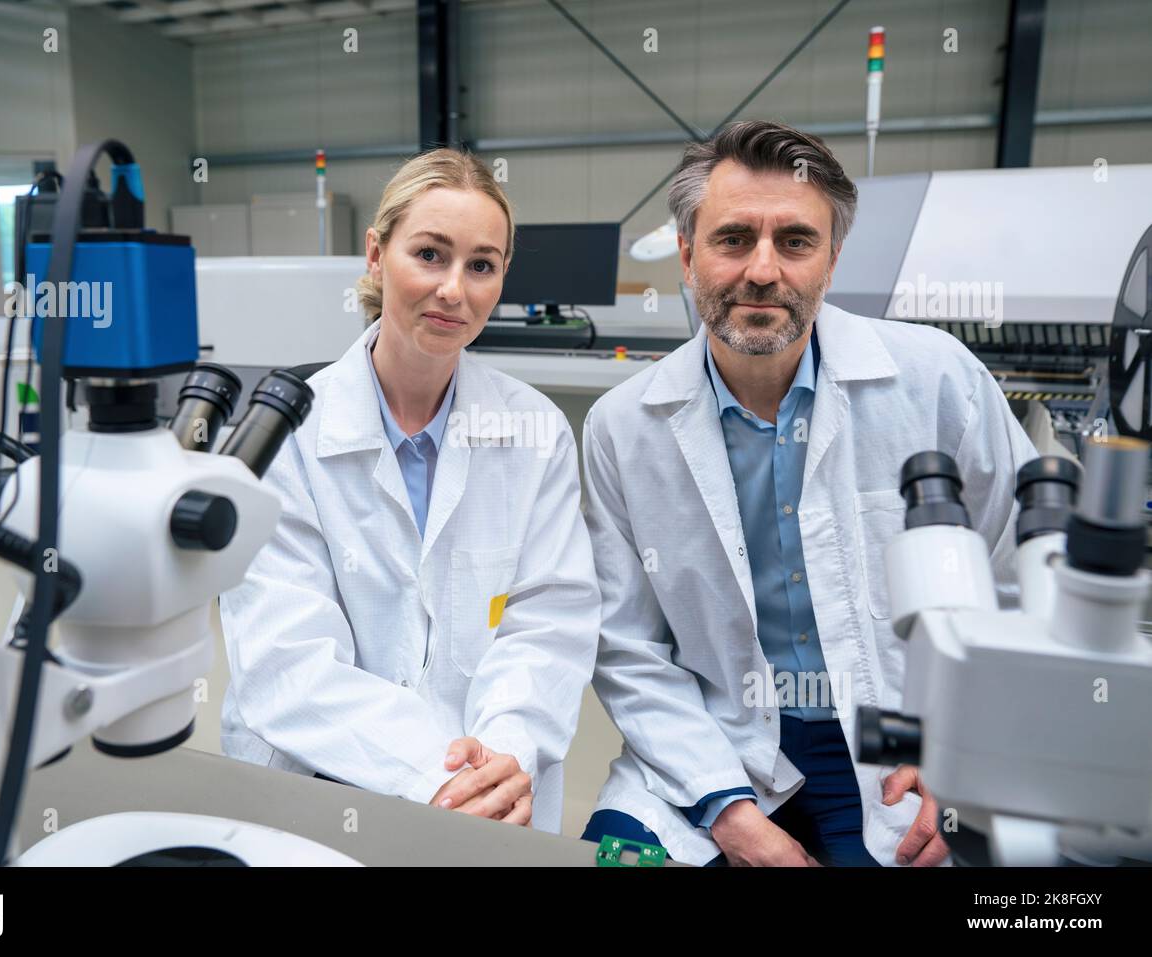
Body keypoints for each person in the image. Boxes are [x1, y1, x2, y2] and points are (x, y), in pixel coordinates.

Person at [580, 120, 1039, 865]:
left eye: (795, 241)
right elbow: (628, 647)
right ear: (689, 253)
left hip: (902, 732)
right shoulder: (623, 426)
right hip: (717, 733)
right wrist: (729, 812)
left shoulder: (936, 380)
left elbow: (1023, 579)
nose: (763, 270)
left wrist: (967, 745)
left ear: (832, 259)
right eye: (733, 239)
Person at [219, 148, 599, 831]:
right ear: (375, 255)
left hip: (489, 795)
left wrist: (504, 754)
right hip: (319, 786)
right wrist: (439, 775)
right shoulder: (288, 434)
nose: (455, 288)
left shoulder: (534, 430)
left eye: (481, 264)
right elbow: (287, 660)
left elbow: (547, 625)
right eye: (430, 253)